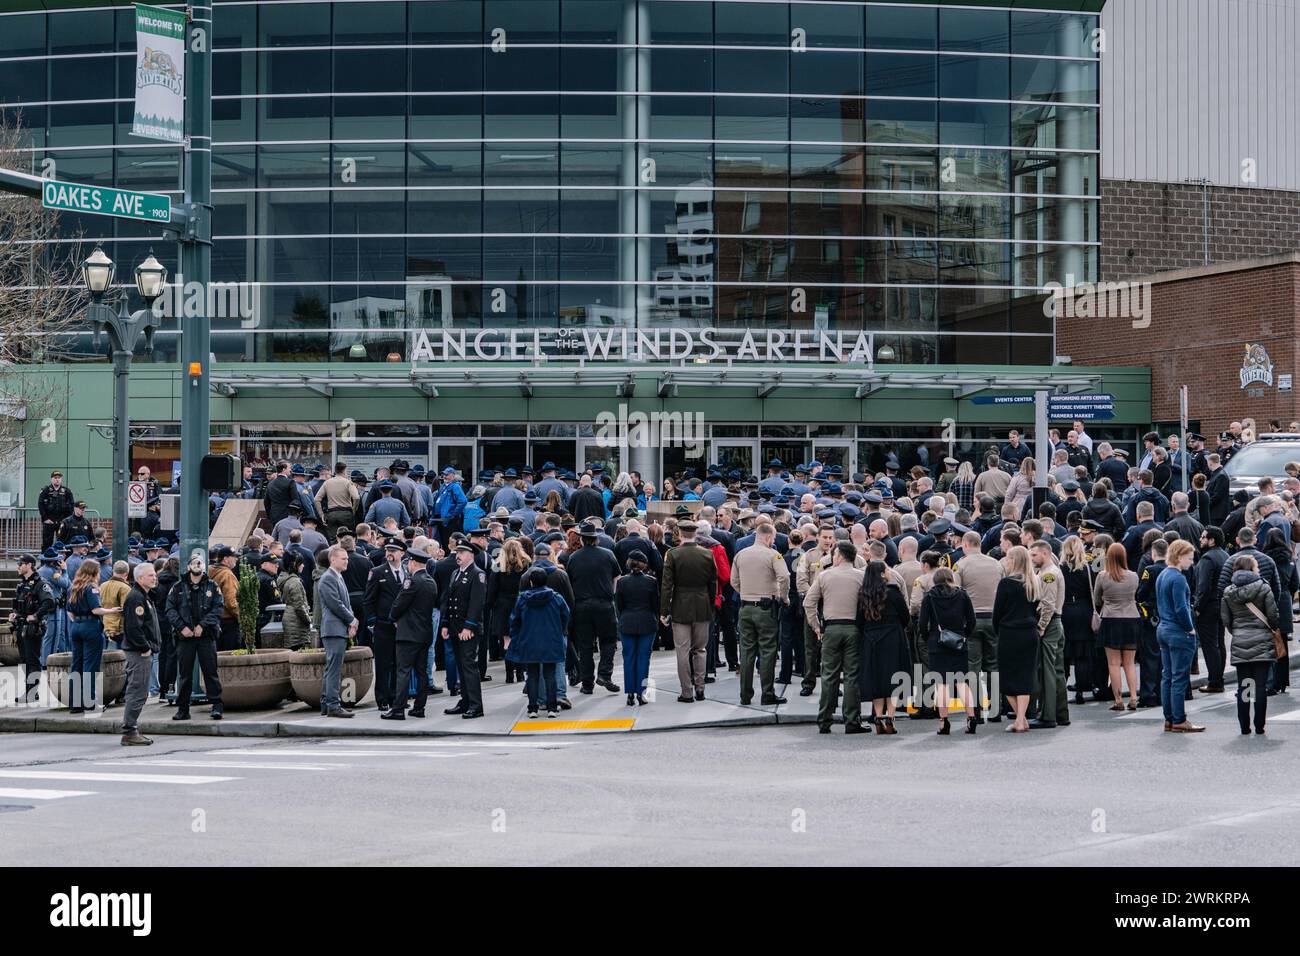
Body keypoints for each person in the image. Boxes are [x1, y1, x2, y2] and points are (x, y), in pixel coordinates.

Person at [804, 541, 867, 734]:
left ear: (838, 556)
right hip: (853, 628)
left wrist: (816, 626)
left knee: (829, 676)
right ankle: (852, 721)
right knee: (851, 676)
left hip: (830, 629)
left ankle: (824, 720)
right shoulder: (861, 576)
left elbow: (808, 602)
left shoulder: (824, 576)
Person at [729, 522, 790, 706]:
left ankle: (745, 695)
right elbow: (784, 577)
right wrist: (783, 597)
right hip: (766, 608)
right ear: (769, 537)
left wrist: (746, 593)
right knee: (768, 651)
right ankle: (767, 693)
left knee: (746, 652)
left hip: (745, 607)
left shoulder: (741, 554)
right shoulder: (774, 555)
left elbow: (733, 581)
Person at [1221, 554, 1280, 735]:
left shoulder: (1228, 591)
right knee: (1260, 686)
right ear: (1252, 569)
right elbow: (1273, 616)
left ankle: (1244, 726)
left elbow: (1226, 620)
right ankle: (1259, 726)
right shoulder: (1264, 588)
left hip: (1240, 642)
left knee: (1246, 685)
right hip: (1262, 642)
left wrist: (1238, 631)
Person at [660, 519, 718, 702]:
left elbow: (666, 585)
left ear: (680, 533)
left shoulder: (673, 554)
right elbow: (712, 583)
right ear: (695, 533)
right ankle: (700, 689)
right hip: (702, 604)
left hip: (680, 605)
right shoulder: (707, 554)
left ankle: (687, 691)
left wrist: (664, 610)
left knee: (682, 651)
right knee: (700, 649)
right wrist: (709, 603)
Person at [917, 566, 977, 735]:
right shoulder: (962, 595)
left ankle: (944, 722)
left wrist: (929, 637)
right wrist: (964, 634)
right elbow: (971, 620)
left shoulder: (929, 597)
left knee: (941, 683)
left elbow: (922, 623)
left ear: (935, 581)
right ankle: (972, 717)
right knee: (962, 682)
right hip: (958, 642)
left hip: (937, 643)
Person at [165, 552, 225, 721]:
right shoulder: (177, 587)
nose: (197, 566)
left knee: (210, 671)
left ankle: (216, 706)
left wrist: (202, 625)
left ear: (204, 567)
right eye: (194, 563)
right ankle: (183, 709)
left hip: (206, 636)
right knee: (184, 674)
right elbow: (170, 610)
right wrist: (182, 627)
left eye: (200, 563)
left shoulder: (212, 586)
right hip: (185, 637)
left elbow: (218, 608)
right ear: (188, 567)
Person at [565, 520, 622, 694]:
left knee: (585, 646)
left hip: (581, 606)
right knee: (609, 641)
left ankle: (587, 683)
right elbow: (617, 578)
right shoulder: (607, 555)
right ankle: (604, 673)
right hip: (604, 604)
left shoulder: (573, 558)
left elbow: (570, 581)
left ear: (582, 539)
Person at [384, 547, 439, 720]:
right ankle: (419, 707)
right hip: (424, 633)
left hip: (408, 633)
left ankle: (398, 708)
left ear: (414, 563)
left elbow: (399, 604)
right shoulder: (431, 581)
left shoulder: (412, 581)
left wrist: (392, 617)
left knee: (403, 671)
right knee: (422, 672)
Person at [508, 567, 570, 718]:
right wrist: (560, 630)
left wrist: (516, 635)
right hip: (551, 640)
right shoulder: (556, 598)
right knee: (550, 674)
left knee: (533, 675)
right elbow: (566, 615)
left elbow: (514, 620)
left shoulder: (522, 599)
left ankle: (533, 708)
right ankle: (552, 707)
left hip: (529, 640)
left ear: (530, 582)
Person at [856, 559, 910, 734]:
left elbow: (859, 621)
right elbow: (905, 617)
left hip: (871, 640)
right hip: (893, 638)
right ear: (881, 574)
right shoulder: (893, 593)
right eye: (886, 569)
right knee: (893, 678)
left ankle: (878, 718)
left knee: (876, 678)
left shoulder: (864, 595)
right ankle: (890, 718)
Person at [1155, 540, 1204, 733]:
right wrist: (1190, 628)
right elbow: (1181, 608)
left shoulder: (1163, 574)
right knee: (1180, 678)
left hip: (1163, 629)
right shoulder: (1178, 578)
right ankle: (1179, 719)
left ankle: (1169, 719)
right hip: (1178, 632)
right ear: (1179, 556)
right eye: (1189, 558)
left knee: (1167, 676)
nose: (1191, 562)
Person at [992, 546, 1040, 733]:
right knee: (1025, 677)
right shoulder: (1033, 581)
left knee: (1007, 678)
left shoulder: (1006, 583)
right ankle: (1022, 719)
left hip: (1009, 633)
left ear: (1014, 561)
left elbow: (998, 612)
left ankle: (1020, 719)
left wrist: (999, 631)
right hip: (1029, 632)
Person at [441, 541, 487, 719]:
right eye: (456, 551)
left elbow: (476, 603)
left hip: (468, 629)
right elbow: (448, 600)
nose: (457, 555)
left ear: (471, 555)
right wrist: (445, 623)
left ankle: (476, 705)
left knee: (469, 666)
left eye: (461, 552)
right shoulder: (455, 573)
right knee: (461, 666)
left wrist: (469, 626)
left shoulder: (477, 574)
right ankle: (465, 700)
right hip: (455, 627)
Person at [64, 559, 116, 713]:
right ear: (95, 572)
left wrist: (78, 622)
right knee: (90, 666)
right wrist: (111, 610)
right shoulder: (92, 588)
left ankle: (75, 704)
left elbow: (69, 612)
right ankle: (90, 702)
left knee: (77, 665)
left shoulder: (73, 587)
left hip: (76, 626)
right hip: (90, 627)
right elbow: (96, 610)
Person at [1094, 542, 1141, 712]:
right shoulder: (1133, 576)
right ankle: (1134, 697)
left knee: (1113, 664)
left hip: (1111, 619)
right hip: (1131, 618)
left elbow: (1097, 599)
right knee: (1129, 663)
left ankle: (1119, 699)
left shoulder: (1103, 576)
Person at [119, 562, 162, 746]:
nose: (154, 578)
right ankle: (129, 731)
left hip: (142, 651)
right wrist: (145, 648)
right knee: (137, 691)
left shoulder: (144, 596)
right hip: (138, 653)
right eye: (150, 575)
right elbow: (134, 628)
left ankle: (132, 729)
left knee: (140, 690)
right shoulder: (137, 598)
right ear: (139, 578)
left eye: (154, 574)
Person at [1029, 539, 1069, 729]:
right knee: (1057, 670)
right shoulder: (1049, 573)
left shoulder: (1048, 575)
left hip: (1050, 624)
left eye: (1034, 554)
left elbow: (1047, 604)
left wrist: (1041, 625)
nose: (1032, 558)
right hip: (1056, 623)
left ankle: (1047, 715)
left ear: (1045, 553)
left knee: (1047, 672)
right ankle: (1061, 714)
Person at [363, 539, 407, 712]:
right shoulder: (377, 572)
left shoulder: (406, 572)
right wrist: (373, 622)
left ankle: (397, 697)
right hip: (383, 624)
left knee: (399, 663)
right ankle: (382, 698)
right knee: (383, 663)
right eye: (388, 549)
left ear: (402, 553)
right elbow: (369, 600)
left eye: (394, 550)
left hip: (402, 626)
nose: (390, 553)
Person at [316, 545, 358, 718]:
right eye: (343, 559)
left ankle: (327, 704)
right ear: (332, 559)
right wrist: (351, 620)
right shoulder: (328, 578)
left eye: (347, 558)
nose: (347, 561)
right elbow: (335, 604)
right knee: (334, 669)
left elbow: (343, 603)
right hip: (333, 629)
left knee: (331, 668)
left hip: (337, 628)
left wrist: (350, 621)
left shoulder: (337, 576)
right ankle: (333, 705)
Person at [9, 554, 55, 703]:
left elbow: (49, 602)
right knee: (24, 660)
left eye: (20, 564)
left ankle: (32, 692)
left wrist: (35, 616)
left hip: (33, 628)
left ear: (29, 565)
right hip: (22, 627)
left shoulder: (40, 584)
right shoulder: (22, 585)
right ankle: (29, 691)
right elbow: (18, 606)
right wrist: (14, 615)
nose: (18, 567)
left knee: (32, 661)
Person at [614, 550, 658, 705]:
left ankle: (630, 693)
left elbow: (619, 604)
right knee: (643, 658)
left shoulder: (622, 582)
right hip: (646, 621)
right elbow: (655, 605)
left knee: (629, 658)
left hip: (627, 621)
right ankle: (641, 692)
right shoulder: (651, 582)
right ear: (644, 564)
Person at [1058, 536, 1097, 705]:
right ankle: (1081, 689)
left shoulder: (1059, 569)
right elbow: (1093, 592)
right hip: (1083, 611)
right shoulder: (1087, 569)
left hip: (1066, 610)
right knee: (1082, 654)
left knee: (1065, 654)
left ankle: (1061, 688)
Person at [487, 537, 530, 684]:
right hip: (521, 603)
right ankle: (520, 673)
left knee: (506, 640)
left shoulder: (498, 565)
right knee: (520, 639)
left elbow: (492, 588)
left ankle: (509, 675)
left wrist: (490, 605)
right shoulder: (525, 564)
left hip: (503, 605)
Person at [1261, 527, 1296, 696]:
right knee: (1283, 644)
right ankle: (1283, 680)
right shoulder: (1290, 559)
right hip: (1285, 602)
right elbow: (1296, 583)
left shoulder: (1266, 559)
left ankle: (1272, 681)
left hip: (1271, 601)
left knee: (1270, 643)